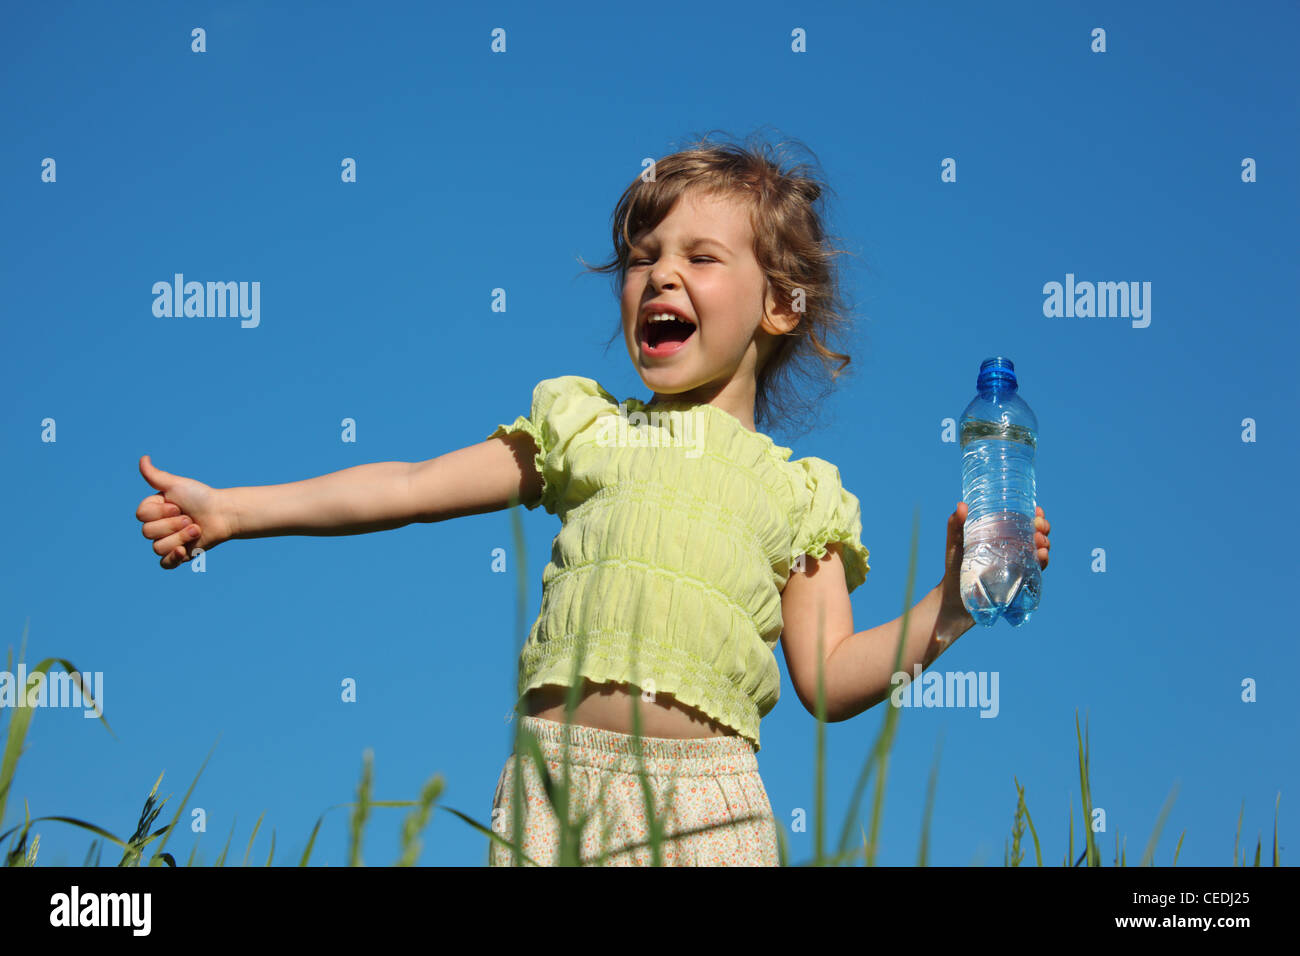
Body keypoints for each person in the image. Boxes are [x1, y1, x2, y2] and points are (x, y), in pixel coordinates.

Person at [134, 132, 1052, 867]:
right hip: (556, 787)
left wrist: (954, 602)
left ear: (780, 305)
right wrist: (237, 510)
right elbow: (412, 488)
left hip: (719, 804)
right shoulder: (587, 430)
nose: (659, 275)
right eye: (643, 256)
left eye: (701, 255)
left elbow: (830, 678)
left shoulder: (801, 495)